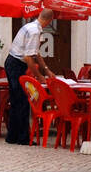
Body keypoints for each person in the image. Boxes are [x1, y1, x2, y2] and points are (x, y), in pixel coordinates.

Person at [4, 9, 54, 145]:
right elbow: (28, 57)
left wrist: (47, 71)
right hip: (16, 64)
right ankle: (23, 138)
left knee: (16, 101)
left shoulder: (30, 26)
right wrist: (39, 77)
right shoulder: (35, 32)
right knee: (22, 101)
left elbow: (36, 53)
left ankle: (12, 137)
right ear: (49, 21)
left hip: (11, 62)